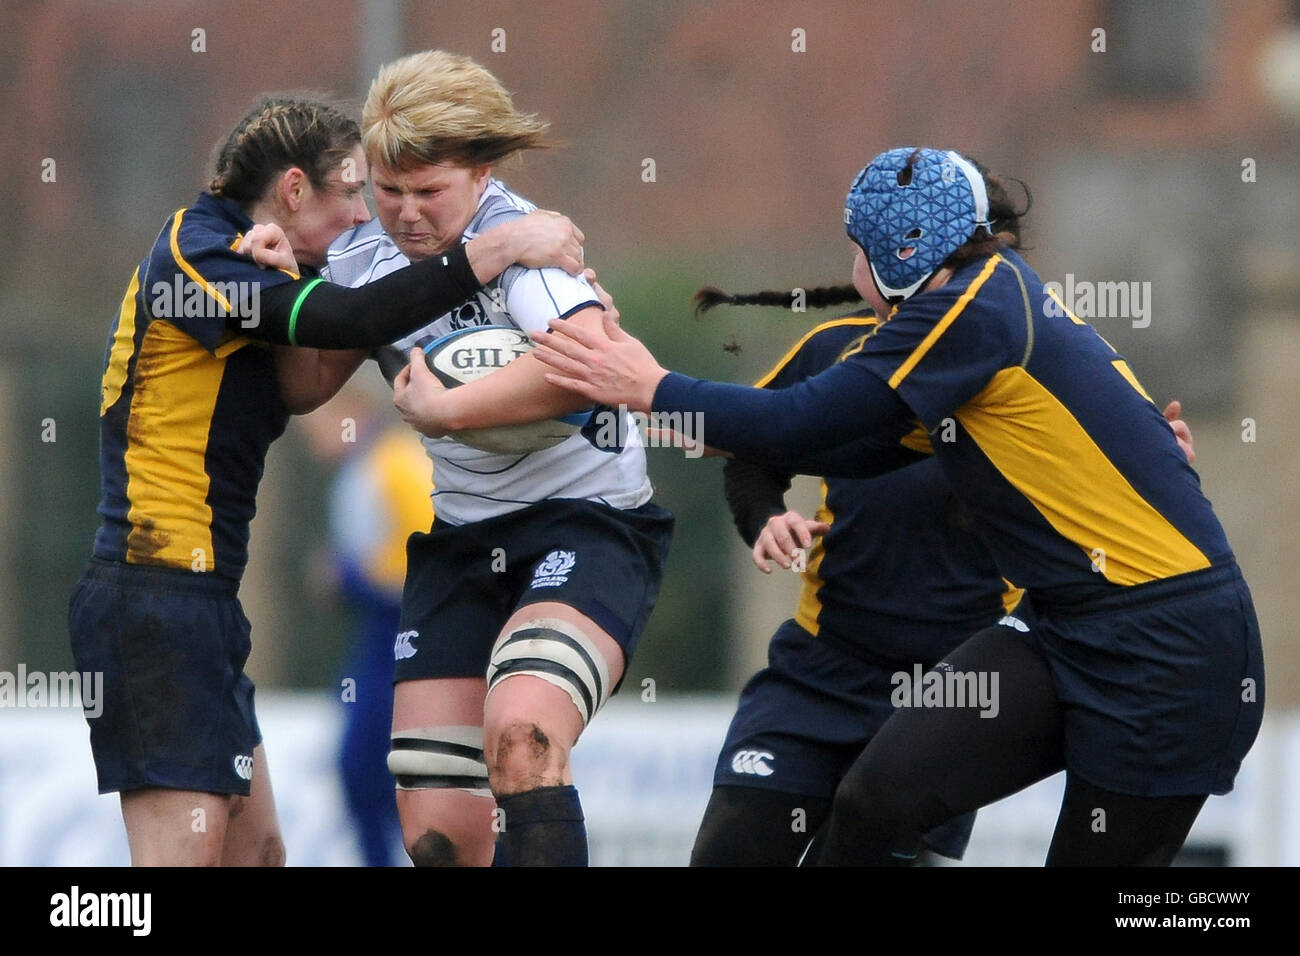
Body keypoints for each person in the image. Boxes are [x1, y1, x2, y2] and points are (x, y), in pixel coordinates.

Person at [525, 146, 1264, 865]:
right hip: (1065, 622)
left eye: (859, 251)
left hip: (1169, 650)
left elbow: (800, 423)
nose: (851, 272)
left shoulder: (967, 310)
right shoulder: (985, 301)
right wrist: (689, 418)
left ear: (896, 258)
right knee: (877, 799)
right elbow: (850, 446)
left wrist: (651, 384)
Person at [67, 94, 584, 866]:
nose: (362, 216)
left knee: (260, 853)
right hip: (151, 599)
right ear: (296, 189)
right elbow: (344, 320)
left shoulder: (258, 261)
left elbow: (311, 372)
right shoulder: (198, 251)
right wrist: (496, 246)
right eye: (352, 193)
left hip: (200, 603)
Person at [689, 289, 1197, 866]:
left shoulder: (1034, 366)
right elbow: (752, 443)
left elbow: (1109, 482)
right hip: (818, 671)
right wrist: (766, 518)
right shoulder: (836, 347)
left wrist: (1156, 459)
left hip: (949, 697)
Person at [325, 51, 674, 867]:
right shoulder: (358, 254)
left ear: (482, 174)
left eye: (429, 191)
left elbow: (583, 368)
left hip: (585, 528)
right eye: (389, 189)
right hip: (462, 539)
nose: (406, 213)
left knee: (522, 737)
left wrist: (441, 409)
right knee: (439, 832)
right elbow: (312, 369)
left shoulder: (528, 245)